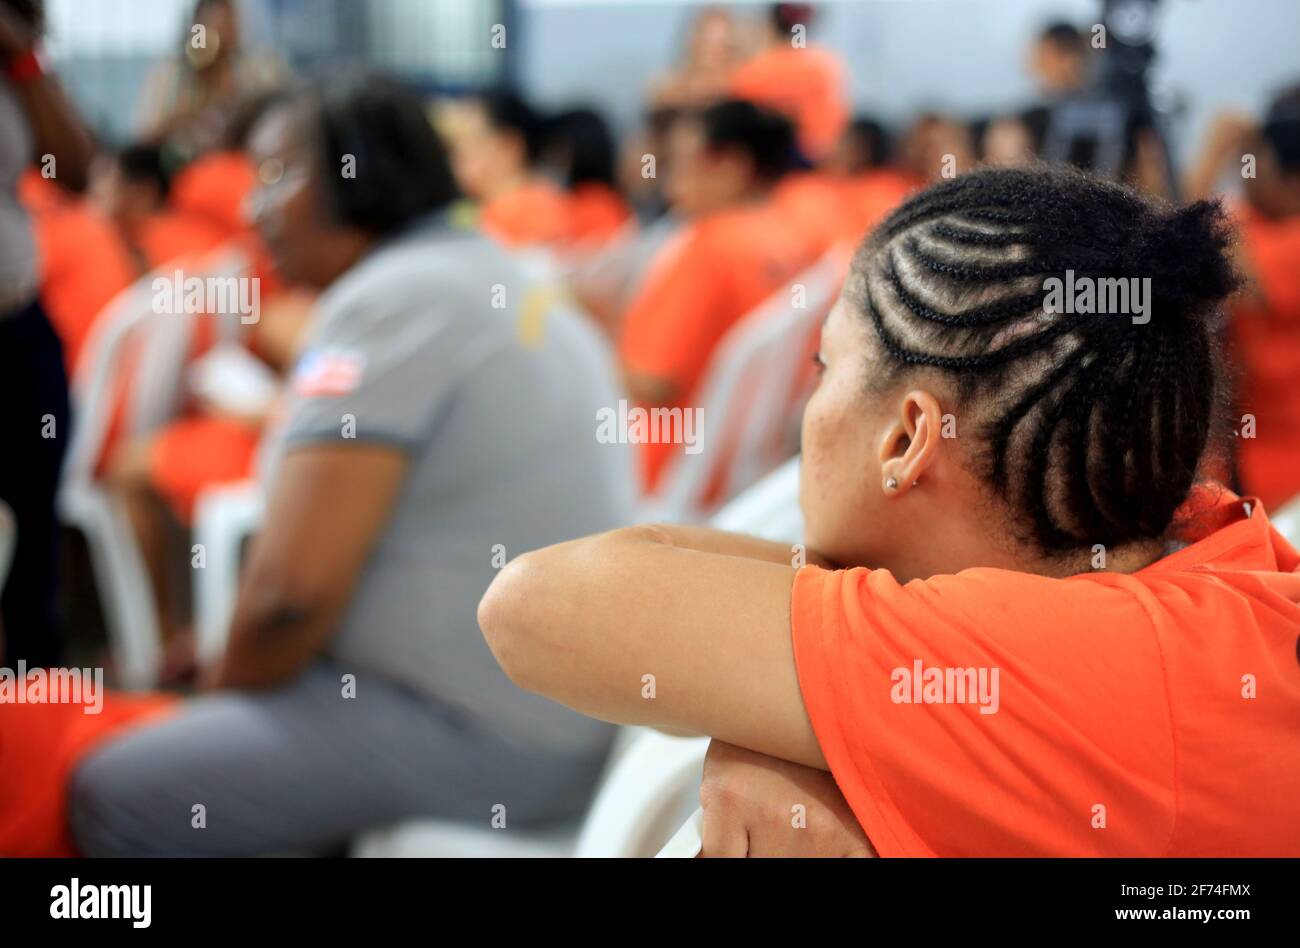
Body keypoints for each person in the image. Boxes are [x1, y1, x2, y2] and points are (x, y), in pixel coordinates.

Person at [479, 165, 1300, 857]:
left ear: (908, 438)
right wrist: (796, 725)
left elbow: (530, 607)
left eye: (823, 364)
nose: (811, 399)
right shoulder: (1201, 549)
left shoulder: (1058, 673)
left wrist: (783, 711)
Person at [66, 75, 634, 857]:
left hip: (487, 736)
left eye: (276, 174)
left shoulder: (390, 301)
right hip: (556, 720)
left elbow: (288, 599)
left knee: (112, 793)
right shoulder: (485, 272)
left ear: (353, 176)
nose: (253, 206)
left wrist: (212, 706)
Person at [618, 99, 824, 491]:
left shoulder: (709, 247)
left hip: (659, 470)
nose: (670, 183)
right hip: (741, 473)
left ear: (731, 166)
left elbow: (654, 382)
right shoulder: (794, 241)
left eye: (680, 163)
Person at [0, 0, 95, 669]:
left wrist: (23, 55)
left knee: (33, 551)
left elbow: (75, 170)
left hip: (16, 328)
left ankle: (35, 731)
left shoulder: (14, 58)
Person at [1185, 85, 1300, 510]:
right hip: (1230, 469)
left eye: (1256, 161)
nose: (1245, 172)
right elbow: (1176, 244)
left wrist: (1213, 153)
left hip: (1285, 485)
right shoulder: (1245, 217)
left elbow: (1232, 276)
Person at [135, 0, 284, 165]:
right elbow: (146, 134)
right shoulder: (171, 73)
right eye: (211, 24)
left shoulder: (258, 68)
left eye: (228, 22)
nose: (222, 32)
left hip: (241, 163)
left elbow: (280, 114)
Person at [445, 91, 572, 249]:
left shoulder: (535, 215)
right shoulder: (478, 211)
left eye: (462, 143)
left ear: (508, 146)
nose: (453, 157)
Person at [729, 3, 848, 162]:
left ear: (770, 24)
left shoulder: (753, 71)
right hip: (816, 158)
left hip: (767, 163)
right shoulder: (826, 67)